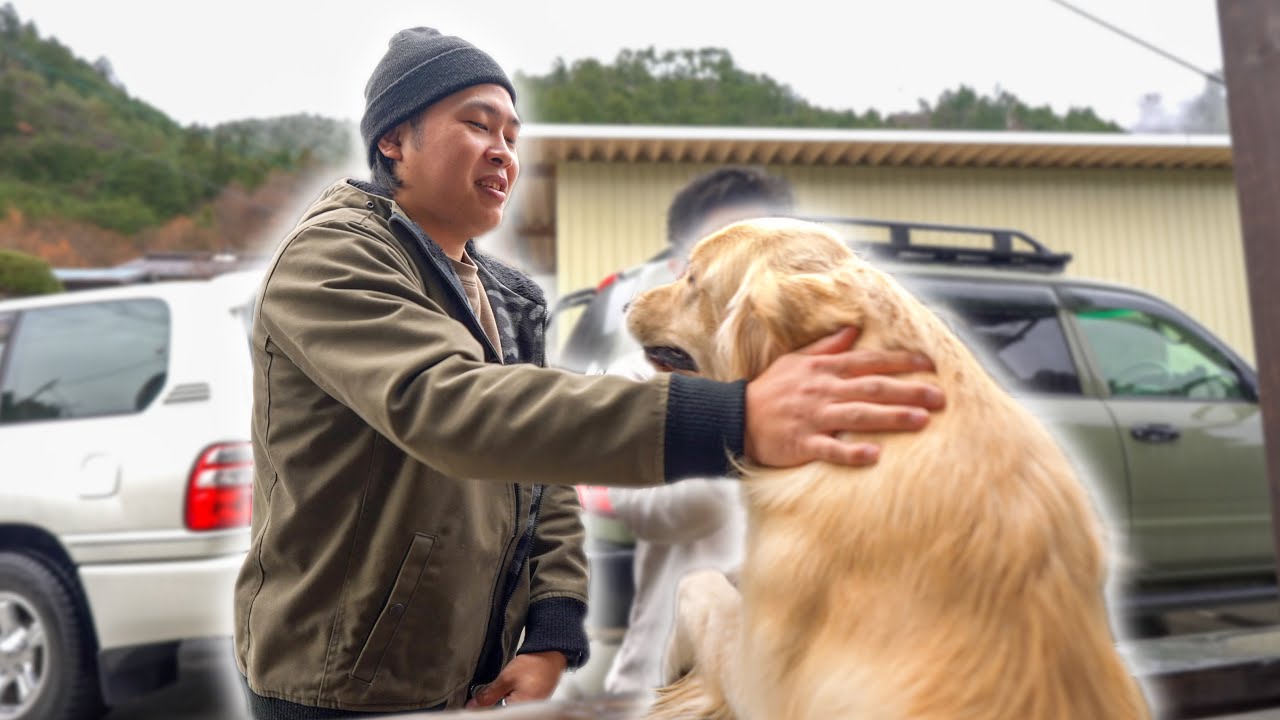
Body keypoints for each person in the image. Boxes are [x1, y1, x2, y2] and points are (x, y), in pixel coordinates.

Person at [232, 27, 945, 718]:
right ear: (393, 140)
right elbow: (451, 408)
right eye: (478, 125)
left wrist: (551, 627)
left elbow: (542, 473)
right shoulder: (334, 258)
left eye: (512, 135)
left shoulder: (507, 296)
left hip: (463, 671)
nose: (503, 152)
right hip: (342, 683)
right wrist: (735, 417)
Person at [600, 167, 795, 694]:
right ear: (677, 271)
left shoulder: (817, 383)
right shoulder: (640, 375)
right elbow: (651, 510)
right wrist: (750, 423)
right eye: (727, 263)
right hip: (662, 684)